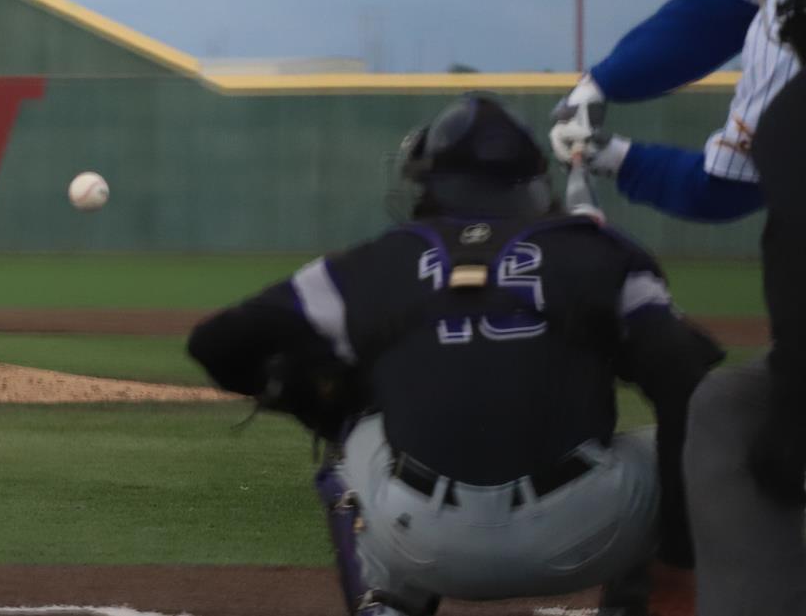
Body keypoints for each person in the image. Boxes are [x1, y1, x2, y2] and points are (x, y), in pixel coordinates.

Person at [189, 93, 722, 616]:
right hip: (587, 531)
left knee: (357, 437)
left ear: (429, 184)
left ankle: (385, 603)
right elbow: (688, 379)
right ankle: (651, 603)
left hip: (423, 542)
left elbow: (215, 344)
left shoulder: (380, 262)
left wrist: (331, 406)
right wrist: (680, 562)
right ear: (534, 183)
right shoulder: (600, 253)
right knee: (714, 440)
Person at [548, 0, 806, 613]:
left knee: (732, 420)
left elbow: (726, 188)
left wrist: (614, 156)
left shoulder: (790, 13)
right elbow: (708, 14)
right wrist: (605, 82)